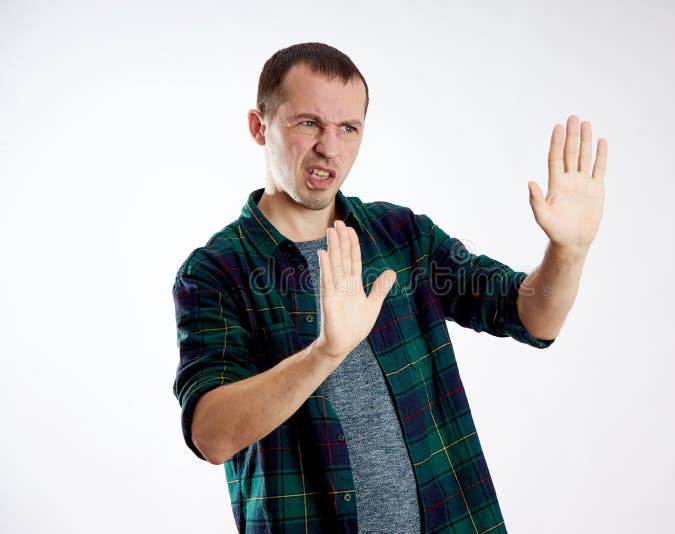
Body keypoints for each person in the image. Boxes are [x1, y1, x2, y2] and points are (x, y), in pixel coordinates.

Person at [172, 42, 607, 533]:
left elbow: (533, 316)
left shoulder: (402, 237)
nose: (329, 148)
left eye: (348, 128)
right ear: (260, 126)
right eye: (308, 123)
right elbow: (211, 435)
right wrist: (324, 353)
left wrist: (568, 252)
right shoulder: (217, 272)